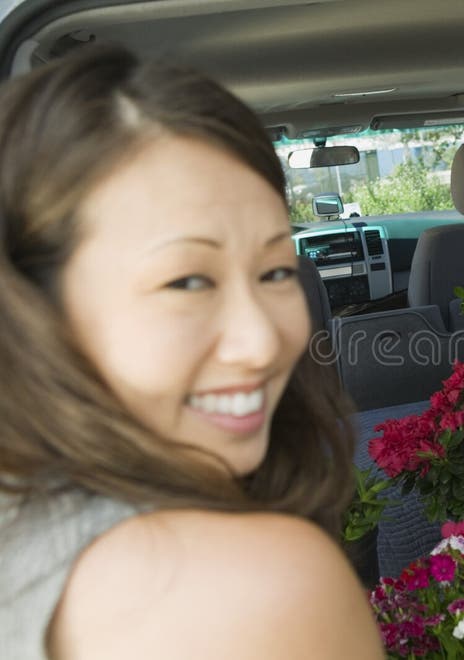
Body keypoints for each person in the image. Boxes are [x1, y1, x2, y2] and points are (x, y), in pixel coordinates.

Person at [0, 45, 383, 659]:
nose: (261, 344)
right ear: (34, 306)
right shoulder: (257, 588)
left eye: (277, 270)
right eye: (186, 281)